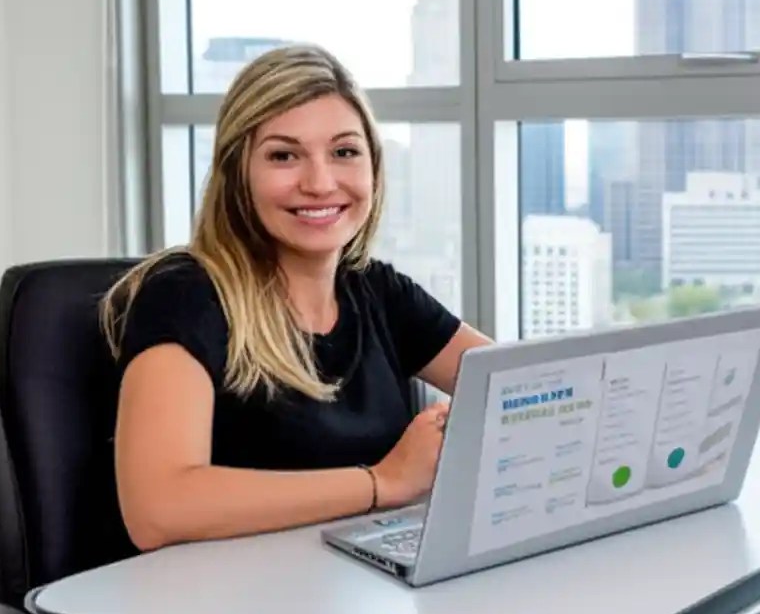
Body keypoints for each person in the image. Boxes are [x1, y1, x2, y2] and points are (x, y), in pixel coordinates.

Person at [99, 44, 489, 551]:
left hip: (351, 592)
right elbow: (158, 508)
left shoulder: (375, 289)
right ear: (237, 173)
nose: (320, 182)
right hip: (220, 608)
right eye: (284, 156)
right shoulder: (183, 295)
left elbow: (525, 387)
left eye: (345, 152)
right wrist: (382, 482)